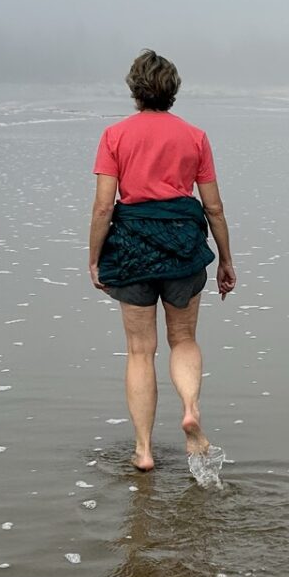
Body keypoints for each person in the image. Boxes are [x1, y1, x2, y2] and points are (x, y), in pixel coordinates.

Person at [90, 50, 237, 472]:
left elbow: (103, 208)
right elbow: (214, 207)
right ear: (173, 90)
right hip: (184, 247)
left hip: (133, 246)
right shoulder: (194, 136)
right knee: (184, 340)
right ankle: (190, 408)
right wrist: (226, 259)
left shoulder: (115, 136)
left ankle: (143, 450)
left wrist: (94, 257)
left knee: (140, 350)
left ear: (134, 89)